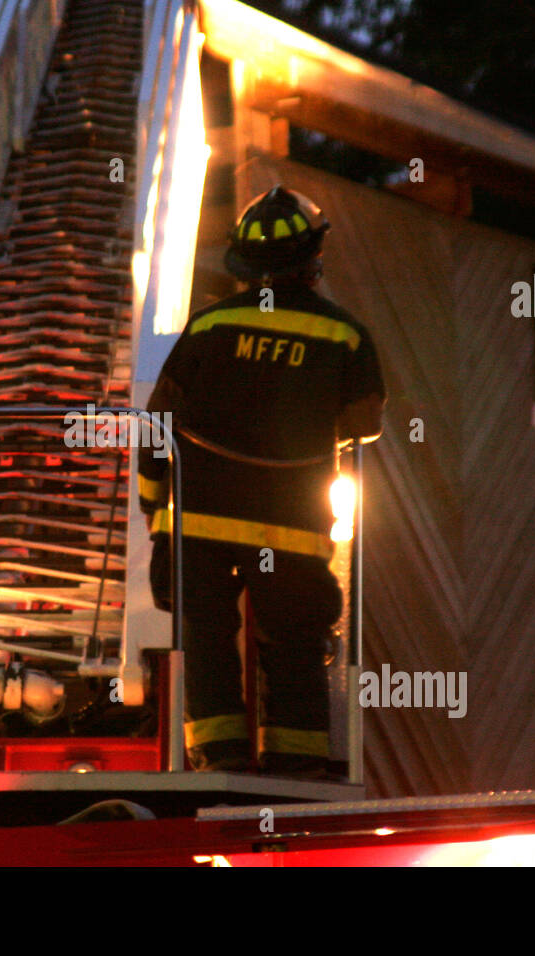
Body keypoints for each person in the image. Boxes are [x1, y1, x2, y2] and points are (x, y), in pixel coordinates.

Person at [137, 186, 385, 777]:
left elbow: (157, 425)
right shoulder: (346, 335)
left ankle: (220, 756)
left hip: (197, 520)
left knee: (205, 636)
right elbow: (364, 426)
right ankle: (295, 764)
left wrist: (154, 508)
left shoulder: (209, 325)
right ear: (313, 260)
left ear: (244, 267)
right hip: (291, 525)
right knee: (295, 641)